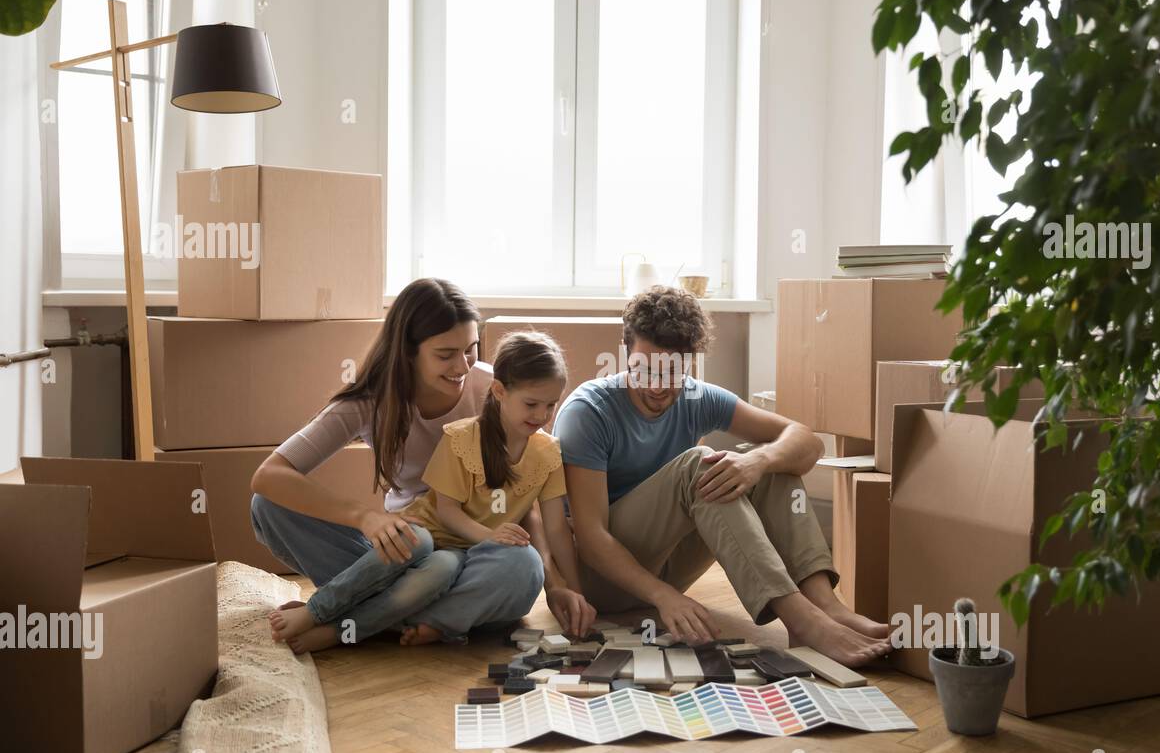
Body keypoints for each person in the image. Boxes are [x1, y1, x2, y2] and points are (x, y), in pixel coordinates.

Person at [554, 286, 894, 668]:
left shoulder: (698, 397)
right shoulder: (589, 412)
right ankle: (800, 618)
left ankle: (825, 608)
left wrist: (760, 462)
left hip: (667, 565)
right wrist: (664, 596)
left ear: (691, 363)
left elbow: (808, 443)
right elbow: (591, 538)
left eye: (673, 372)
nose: (657, 385)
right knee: (702, 462)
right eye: (644, 368)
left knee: (767, 464)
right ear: (625, 350)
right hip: (603, 583)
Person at [252, 279, 541, 652]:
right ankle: (427, 618)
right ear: (407, 352)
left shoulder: (494, 390)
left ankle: (351, 619)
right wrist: (364, 518)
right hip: (403, 551)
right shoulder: (369, 402)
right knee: (269, 505)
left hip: (472, 548)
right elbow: (269, 476)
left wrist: (559, 581)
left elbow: (527, 489)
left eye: (470, 350)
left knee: (524, 568)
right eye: (445, 354)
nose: (463, 366)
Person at [268, 331, 594, 647]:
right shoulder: (461, 438)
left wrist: (570, 589)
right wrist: (487, 535)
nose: (542, 415)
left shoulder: (548, 451)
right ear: (498, 391)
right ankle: (332, 617)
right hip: (428, 545)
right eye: (532, 404)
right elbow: (445, 512)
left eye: (551, 406)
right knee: (432, 558)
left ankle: (369, 621)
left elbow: (554, 528)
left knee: (526, 566)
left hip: (475, 558)